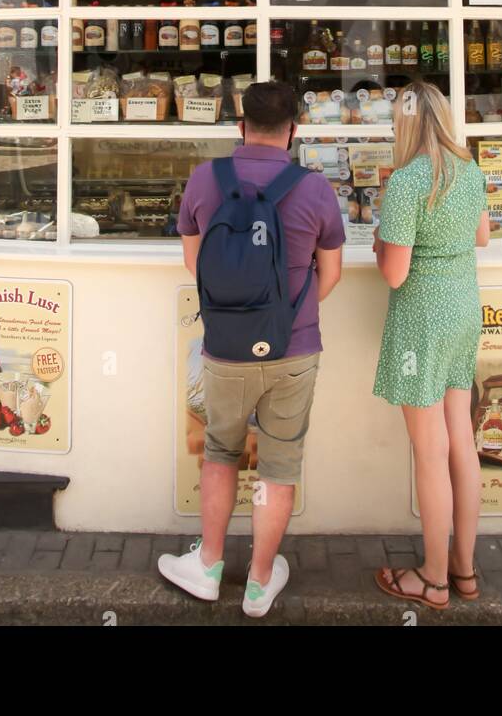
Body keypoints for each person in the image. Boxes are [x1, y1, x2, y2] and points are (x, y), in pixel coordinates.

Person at [157, 80, 343, 617]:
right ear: (294, 131)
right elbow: (329, 275)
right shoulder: (314, 189)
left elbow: (194, 264)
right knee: (279, 465)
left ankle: (209, 565)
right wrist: (289, 313)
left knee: (220, 452)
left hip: (226, 347)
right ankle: (261, 582)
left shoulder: (204, 179)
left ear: (240, 126)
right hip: (294, 347)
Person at [372, 79, 490, 611]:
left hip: (422, 321)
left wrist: (379, 239)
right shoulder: (469, 171)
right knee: (460, 442)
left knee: (430, 451)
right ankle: (465, 571)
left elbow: (395, 275)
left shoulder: (406, 181)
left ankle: (434, 580)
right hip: (465, 308)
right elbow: (481, 237)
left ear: (406, 122)